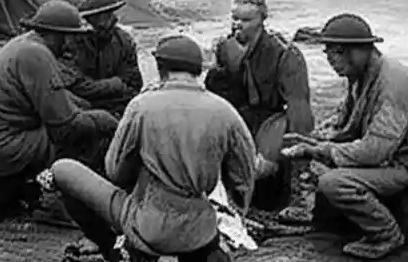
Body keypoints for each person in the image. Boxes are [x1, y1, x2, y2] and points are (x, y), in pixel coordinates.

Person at [51, 35, 257, 262]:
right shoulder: (225, 111)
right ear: (198, 70)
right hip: (201, 230)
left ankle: (114, 250)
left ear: (161, 68)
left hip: (149, 225)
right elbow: (244, 176)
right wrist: (236, 209)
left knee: (63, 169)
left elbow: (115, 171)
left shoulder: (142, 106)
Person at [282, 13, 408, 260]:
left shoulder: (394, 84)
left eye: (337, 51)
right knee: (309, 152)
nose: (330, 59)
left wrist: (320, 150)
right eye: (328, 51)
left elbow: (375, 151)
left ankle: (386, 233)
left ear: (361, 50)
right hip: (389, 160)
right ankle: (312, 211)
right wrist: (313, 140)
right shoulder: (360, 77)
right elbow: (344, 122)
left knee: (334, 182)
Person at [0, 0, 120, 182]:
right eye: (73, 37)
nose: (75, 43)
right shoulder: (37, 55)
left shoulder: (25, 44)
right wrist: (104, 120)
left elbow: (55, 98)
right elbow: (65, 127)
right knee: (85, 140)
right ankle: (71, 197)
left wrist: (84, 107)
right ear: (62, 36)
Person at [204, 0, 314, 213]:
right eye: (235, 19)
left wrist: (284, 152)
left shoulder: (285, 54)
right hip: (235, 117)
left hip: (271, 121)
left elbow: (298, 110)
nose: (238, 25)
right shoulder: (224, 48)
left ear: (262, 20)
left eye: (246, 20)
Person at [62, 0, 143, 115]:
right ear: (90, 19)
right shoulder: (71, 43)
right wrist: (115, 84)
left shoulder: (123, 41)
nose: (113, 19)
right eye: (106, 15)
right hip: (80, 110)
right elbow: (76, 87)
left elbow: (133, 84)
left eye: (111, 14)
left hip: (118, 108)